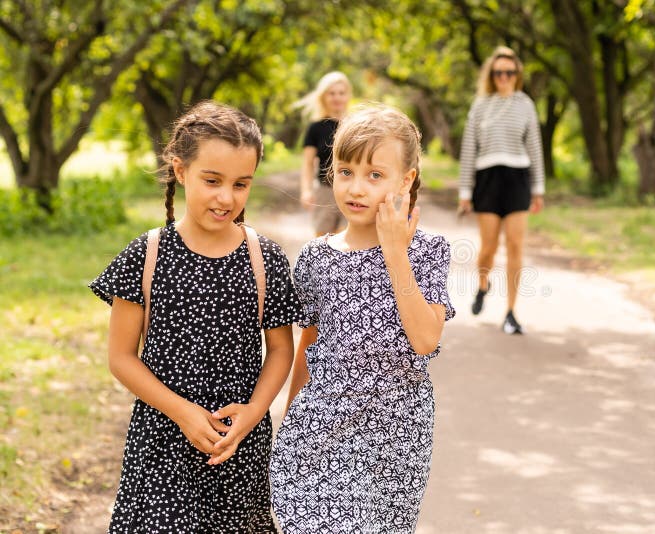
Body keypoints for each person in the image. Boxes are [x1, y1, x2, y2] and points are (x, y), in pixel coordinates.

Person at [89, 101, 301, 533]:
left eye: (241, 184)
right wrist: (183, 412)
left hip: (237, 447)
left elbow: (281, 349)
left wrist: (256, 411)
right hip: (161, 445)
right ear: (180, 171)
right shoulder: (145, 256)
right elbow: (121, 358)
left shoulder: (266, 259)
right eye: (212, 180)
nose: (227, 197)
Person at [270, 105, 455, 533]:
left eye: (375, 175)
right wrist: (288, 421)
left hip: (395, 437)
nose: (356, 188)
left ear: (406, 180)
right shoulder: (317, 257)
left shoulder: (428, 251)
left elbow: (425, 339)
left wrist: (395, 252)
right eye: (346, 171)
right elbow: (309, 346)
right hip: (319, 428)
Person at [458, 46, 545, 335]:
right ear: (491, 75)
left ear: (517, 75)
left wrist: (538, 188)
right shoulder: (480, 105)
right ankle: (483, 284)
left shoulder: (526, 104)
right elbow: (469, 150)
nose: (504, 77)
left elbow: (534, 147)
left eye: (509, 72)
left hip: (518, 178)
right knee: (488, 248)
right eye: (499, 73)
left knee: (516, 247)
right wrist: (465, 192)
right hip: (488, 180)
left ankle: (510, 311)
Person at [296, 71, 352, 236]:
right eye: (331, 93)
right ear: (323, 97)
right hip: (325, 191)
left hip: (352, 189)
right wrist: (306, 190)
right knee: (324, 240)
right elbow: (307, 163)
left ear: (348, 96)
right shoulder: (315, 128)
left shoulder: (355, 125)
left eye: (341, 93)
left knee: (348, 237)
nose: (337, 97)